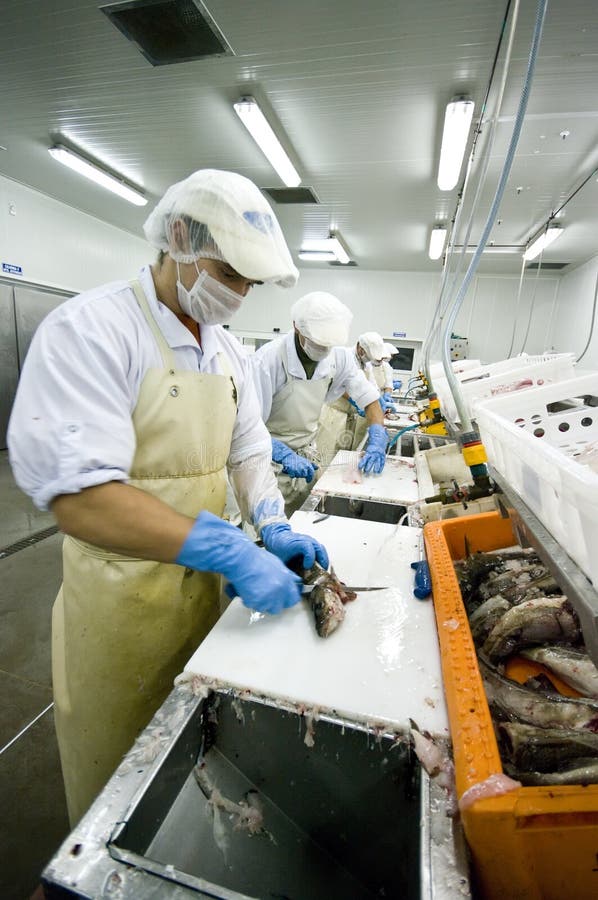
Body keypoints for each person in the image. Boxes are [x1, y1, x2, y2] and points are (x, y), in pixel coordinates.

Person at [7, 168, 329, 826]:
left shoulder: (228, 353)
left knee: (191, 764)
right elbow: (81, 498)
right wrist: (222, 546)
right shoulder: (92, 330)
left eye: (249, 283)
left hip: (201, 599)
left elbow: (248, 450)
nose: (238, 294)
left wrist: (271, 523)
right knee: (115, 787)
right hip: (117, 611)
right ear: (178, 239)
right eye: (229, 273)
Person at [251, 293, 389, 515]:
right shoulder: (268, 360)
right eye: (317, 342)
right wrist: (282, 454)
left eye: (329, 344)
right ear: (296, 327)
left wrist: (378, 437)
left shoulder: (339, 357)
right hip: (267, 462)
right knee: (268, 523)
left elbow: (370, 399)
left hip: (306, 456)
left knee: (304, 517)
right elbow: (247, 426)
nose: (324, 350)